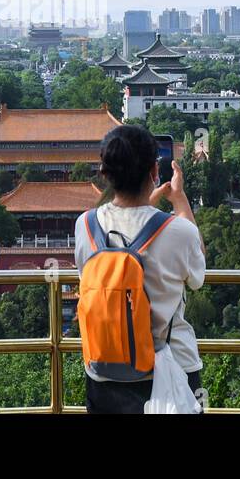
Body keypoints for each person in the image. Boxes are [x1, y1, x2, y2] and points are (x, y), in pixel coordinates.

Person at [74, 124, 205, 413]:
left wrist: (149, 203)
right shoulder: (179, 231)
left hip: (104, 369)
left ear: (105, 173)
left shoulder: (85, 225)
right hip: (171, 370)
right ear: (155, 171)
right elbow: (197, 276)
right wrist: (179, 199)